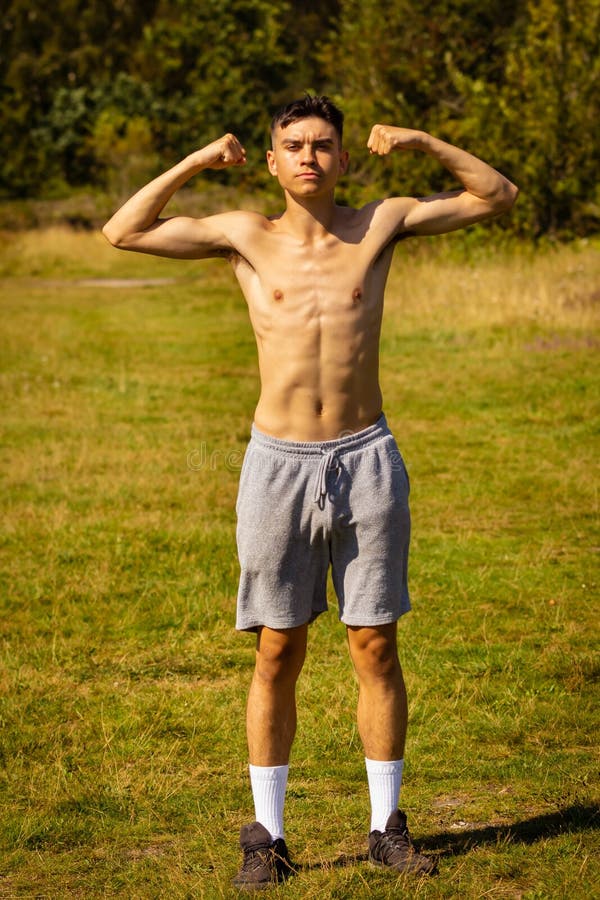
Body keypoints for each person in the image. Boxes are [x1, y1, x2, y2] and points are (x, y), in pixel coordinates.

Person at [103, 94, 518, 889]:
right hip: (278, 463)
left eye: (322, 145)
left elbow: (497, 196)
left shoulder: (382, 223)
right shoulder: (244, 235)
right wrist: (198, 160)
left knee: (376, 643)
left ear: (343, 158)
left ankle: (386, 829)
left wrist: (421, 138)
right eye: (292, 145)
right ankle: (268, 838)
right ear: (271, 161)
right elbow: (123, 230)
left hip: (367, 457)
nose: (308, 156)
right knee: (277, 648)